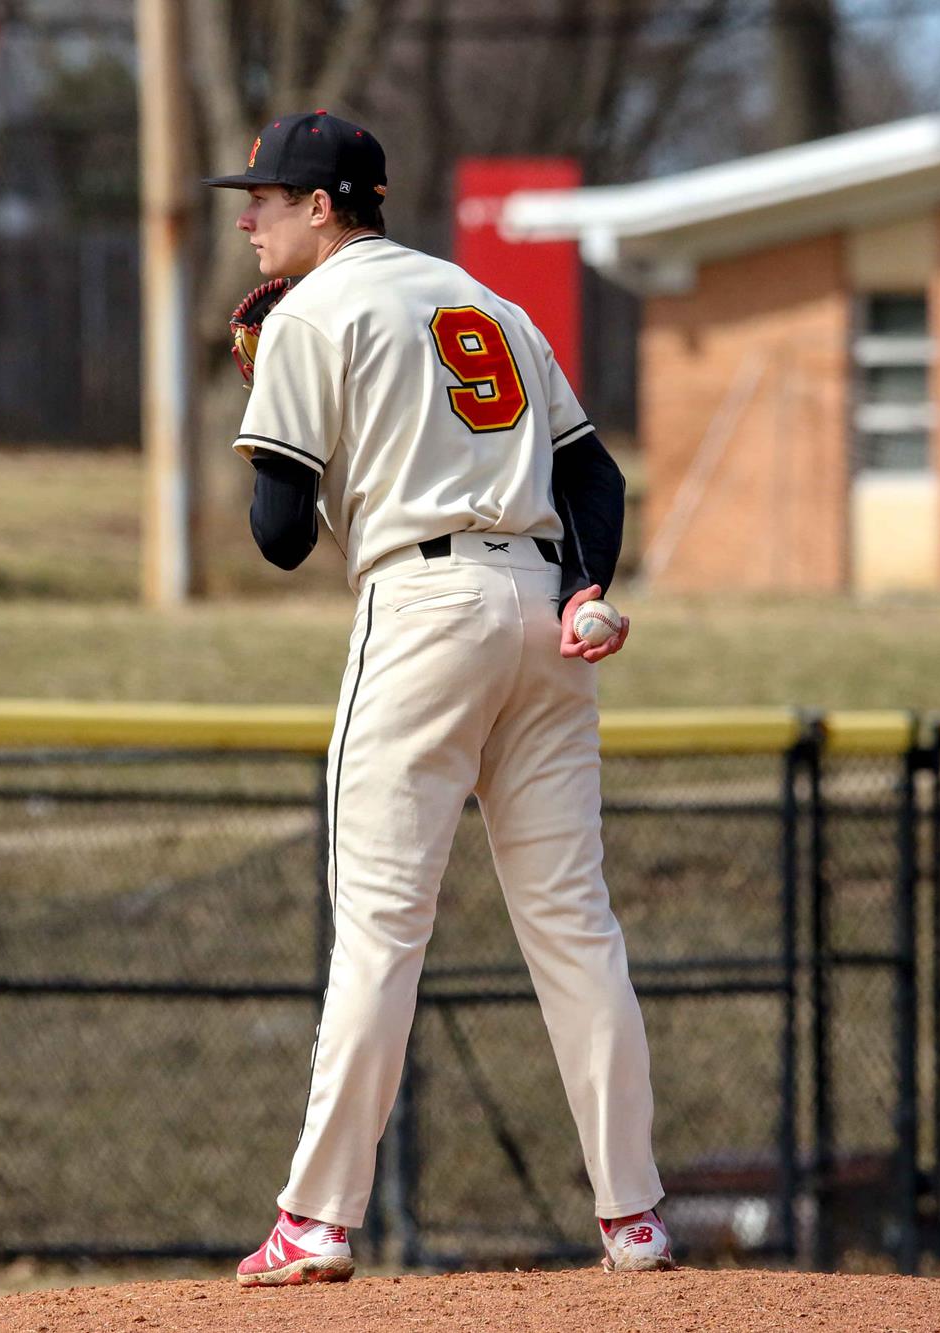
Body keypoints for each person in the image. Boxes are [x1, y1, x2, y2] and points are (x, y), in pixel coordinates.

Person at [200, 110, 671, 1286]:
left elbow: (274, 540)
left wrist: (266, 411)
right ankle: (633, 1216)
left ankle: (314, 1221)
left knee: (379, 928)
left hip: (424, 611)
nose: (246, 216)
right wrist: (585, 586)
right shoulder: (486, 301)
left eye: (264, 197)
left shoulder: (313, 311)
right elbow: (591, 472)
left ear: (324, 207)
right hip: (543, 616)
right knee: (573, 924)